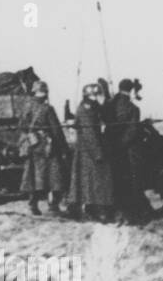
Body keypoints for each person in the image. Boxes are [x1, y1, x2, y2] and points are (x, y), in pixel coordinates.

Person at [18, 81, 67, 215]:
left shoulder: (26, 106)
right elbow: (56, 130)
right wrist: (63, 148)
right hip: (46, 148)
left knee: (32, 176)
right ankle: (53, 205)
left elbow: (21, 126)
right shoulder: (47, 109)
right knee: (54, 176)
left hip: (32, 146)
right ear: (45, 92)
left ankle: (32, 205)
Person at [67, 84, 113, 220]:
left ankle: (91, 208)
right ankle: (97, 210)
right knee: (95, 182)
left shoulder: (91, 108)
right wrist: (98, 153)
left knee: (91, 182)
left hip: (88, 151)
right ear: (92, 96)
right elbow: (90, 133)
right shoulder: (86, 110)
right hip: (90, 152)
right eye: (98, 95)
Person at [106, 79, 149, 221]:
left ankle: (119, 213)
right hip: (129, 152)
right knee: (133, 183)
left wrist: (115, 145)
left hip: (112, 151)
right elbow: (133, 131)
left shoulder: (110, 105)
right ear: (131, 90)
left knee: (117, 182)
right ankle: (134, 214)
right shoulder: (133, 109)